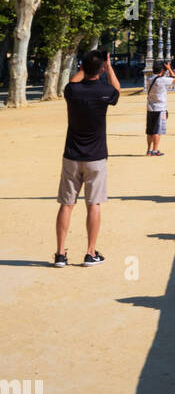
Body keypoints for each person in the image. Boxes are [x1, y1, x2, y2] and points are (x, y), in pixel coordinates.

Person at [54, 49, 121, 267]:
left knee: (66, 204)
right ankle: (90, 253)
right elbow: (117, 90)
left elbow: (73, 82)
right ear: (101, 69)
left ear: (82, 67)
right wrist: (108, 66)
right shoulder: (104, 92)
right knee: (93, 205)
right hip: (96, 157)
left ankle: (60, 254)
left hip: (72, 156)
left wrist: (84, 67)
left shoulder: (72, 91)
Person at [145, 61, 175, 155]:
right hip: (160, 108)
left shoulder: (149, 79)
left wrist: (164, 70)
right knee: (157, 130)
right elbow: (174, 79)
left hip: (150, 107)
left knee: (150, 130)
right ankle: (155, 150)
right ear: (162, 70)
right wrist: (169, 68)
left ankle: (149, 150)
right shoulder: (163, 80)